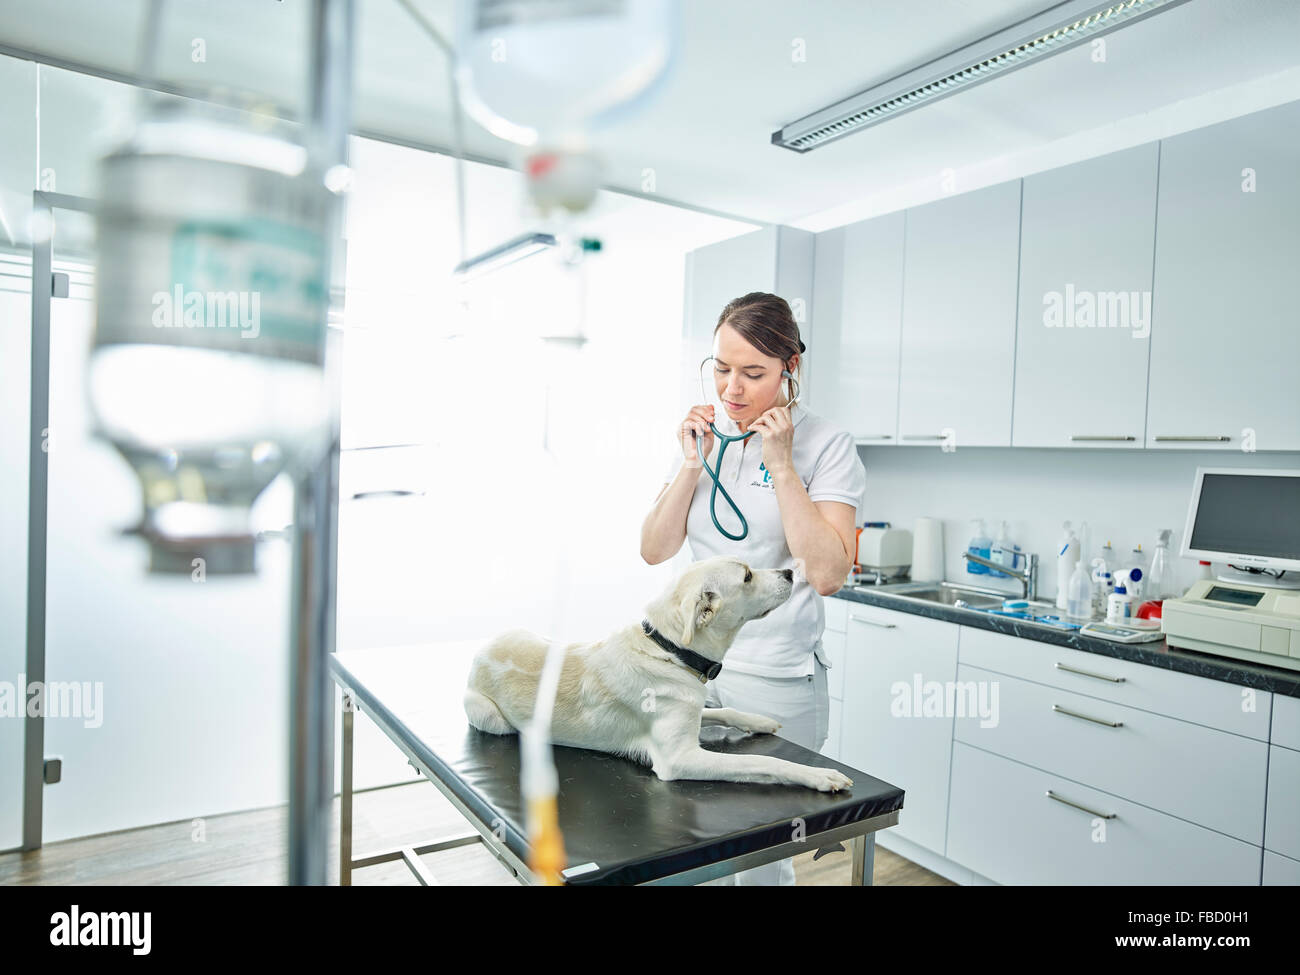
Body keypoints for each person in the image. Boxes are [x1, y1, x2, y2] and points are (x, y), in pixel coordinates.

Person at [640, 291, 867, 886]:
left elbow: (828, 574)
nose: (730, 389)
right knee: (688, 839)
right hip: (688, 667)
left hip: (776, 676)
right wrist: (691, 464)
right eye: (720, 368)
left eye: (753, 373)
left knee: (757, 860)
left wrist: (784, 465)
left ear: (790, 369)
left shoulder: (827, 445)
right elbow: (654, 549)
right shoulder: (707, 434)